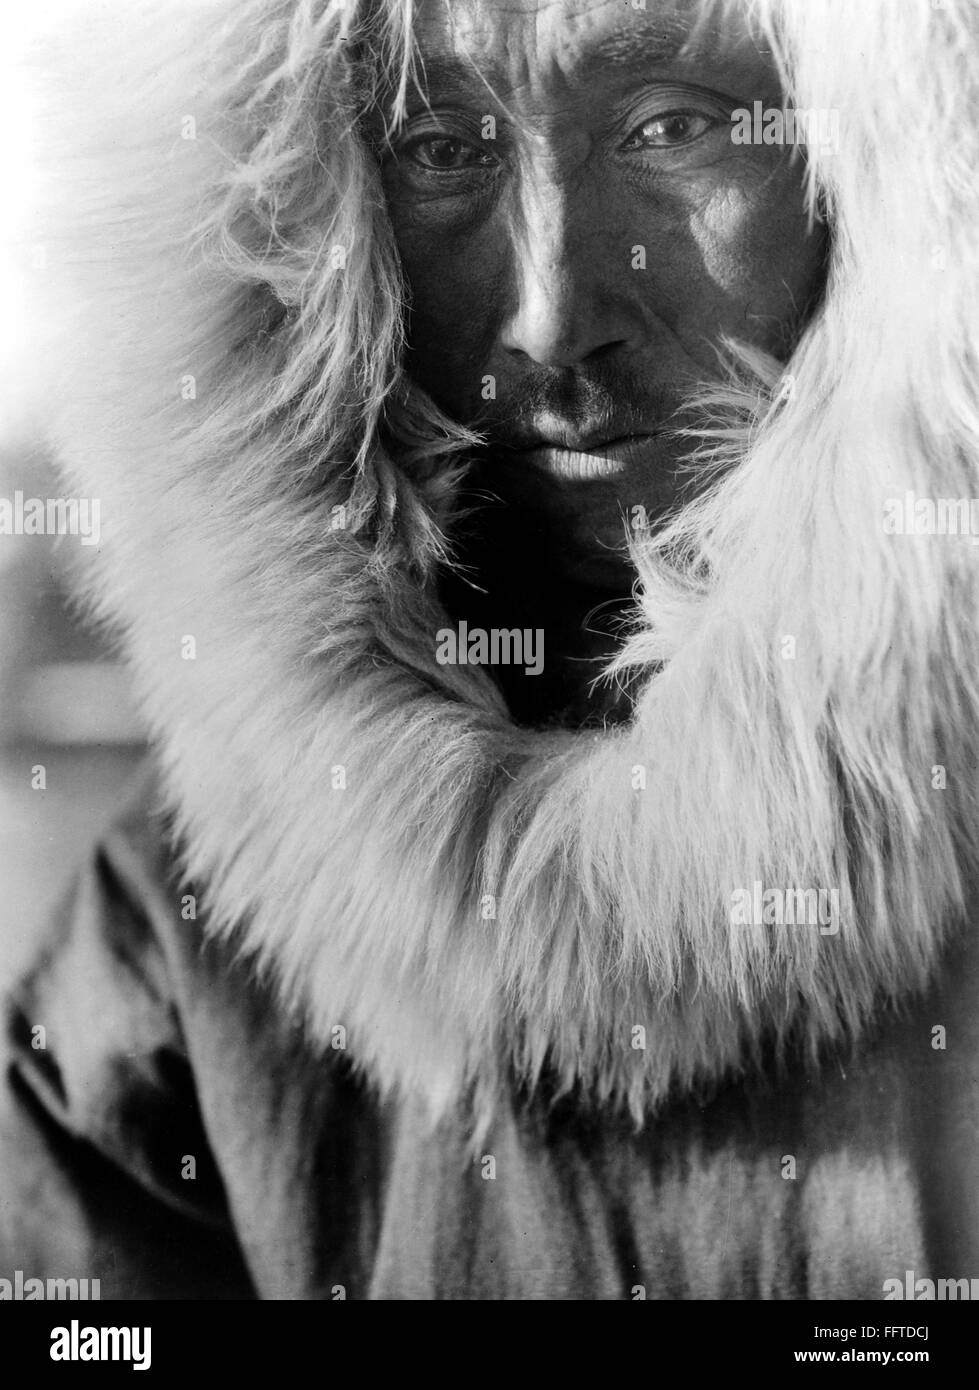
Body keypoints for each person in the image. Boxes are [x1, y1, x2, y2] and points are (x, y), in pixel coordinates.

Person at [2, 0, 978, 1299]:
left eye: (670, 125)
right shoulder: (167, 969)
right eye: (443, 146)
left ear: (896, 175)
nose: (547, 316)